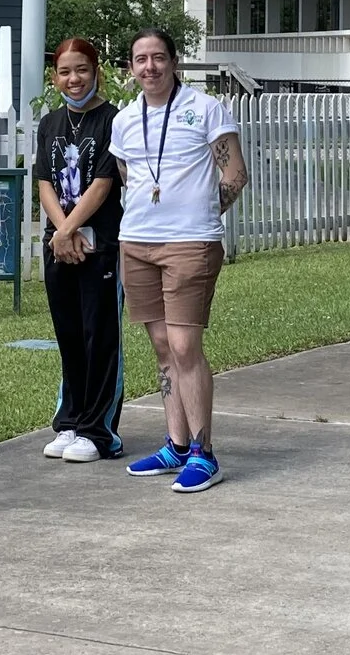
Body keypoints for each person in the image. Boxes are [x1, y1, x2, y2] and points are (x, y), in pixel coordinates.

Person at [110, 29, 246, 493]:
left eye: (159, 58)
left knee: (187, 349)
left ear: (174, 63)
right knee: (164, 348)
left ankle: (205, 455)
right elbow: (129, 174)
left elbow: (234, 174)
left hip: (190, 244)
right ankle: (176, 444)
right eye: (140, 60)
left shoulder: (206, 109)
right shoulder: (125, 120)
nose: (150, 67)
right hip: (138, 243)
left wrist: (203, 215)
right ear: (131, 68)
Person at [35, 36, 125, 465]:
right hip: (61, 245)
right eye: (65, 72)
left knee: (99, 336)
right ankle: (70, 421)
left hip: (101, 247)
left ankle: (98, 429)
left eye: (82, 70)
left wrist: (68, 230)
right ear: (55, 77)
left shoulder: (113, 120)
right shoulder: (49, 123)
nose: (74, 79)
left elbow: (104, 183)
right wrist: (61, 232)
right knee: (69, 336)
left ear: (97, 72)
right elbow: (45, 182)